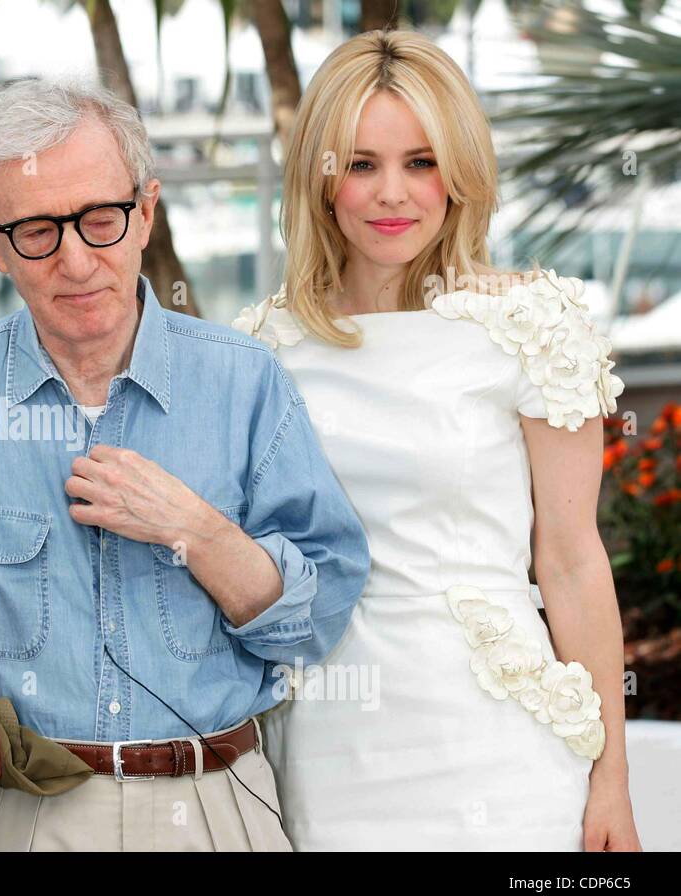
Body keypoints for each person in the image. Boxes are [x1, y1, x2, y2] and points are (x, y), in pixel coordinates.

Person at [0, 78, 369, 852]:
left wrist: (194, 529)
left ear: (146, 211)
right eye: (35, 231)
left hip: (215, 806)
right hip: (16, 814)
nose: (76, 260)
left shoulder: (244, 381)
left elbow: (312, 623)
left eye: (100, 219)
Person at [235, 29, 642, 851]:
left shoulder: (532, 326)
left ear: (460, 172)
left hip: (499, 745)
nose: (393, 194)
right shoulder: (263, 349)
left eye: (421, 161)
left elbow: (569, 560)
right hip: (325, 741)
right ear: (319, 178)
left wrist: (613, 784)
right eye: (360, 164)